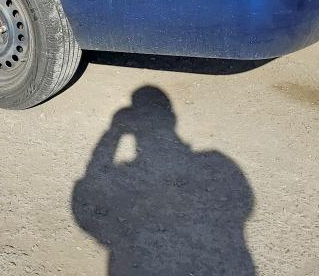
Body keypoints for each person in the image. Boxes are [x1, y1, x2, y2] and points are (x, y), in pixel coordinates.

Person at [72, 86, 255, 275]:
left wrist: (113, 132)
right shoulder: (217, 162)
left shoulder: (214, 163)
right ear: (173, 119)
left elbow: (88, 191)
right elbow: (244, 205)